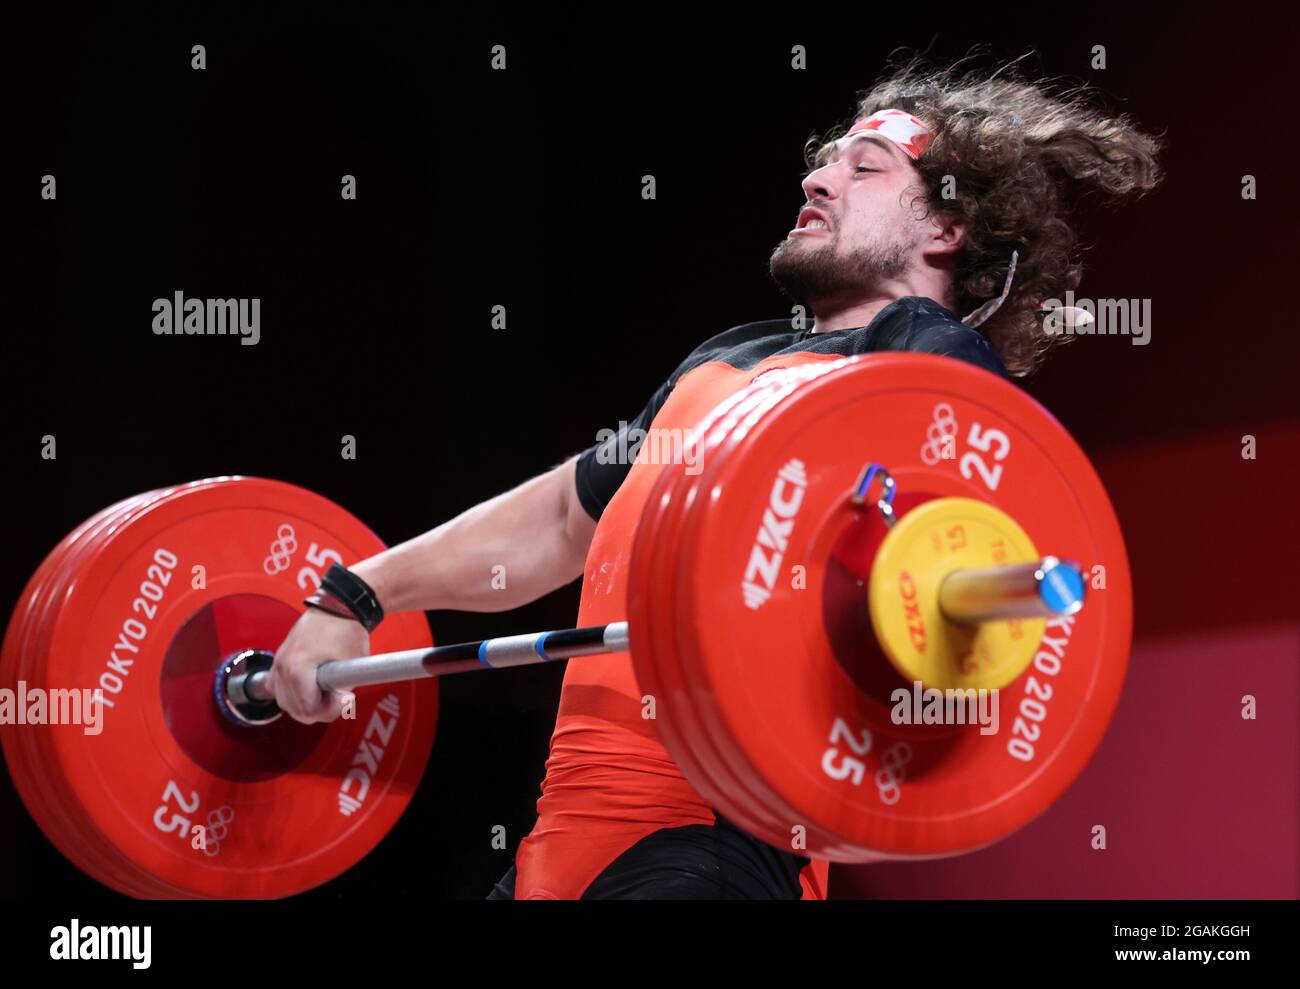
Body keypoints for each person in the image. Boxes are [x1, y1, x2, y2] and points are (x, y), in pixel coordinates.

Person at [266, 56, 1163, 899]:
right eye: (824, 163)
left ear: (946, 226)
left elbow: (968, 514)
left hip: (715, 847)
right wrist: (356, 595)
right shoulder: (731, 360)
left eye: (867, 167)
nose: (816, 181)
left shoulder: (924, 357)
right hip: (561, 849)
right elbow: (557, 526)